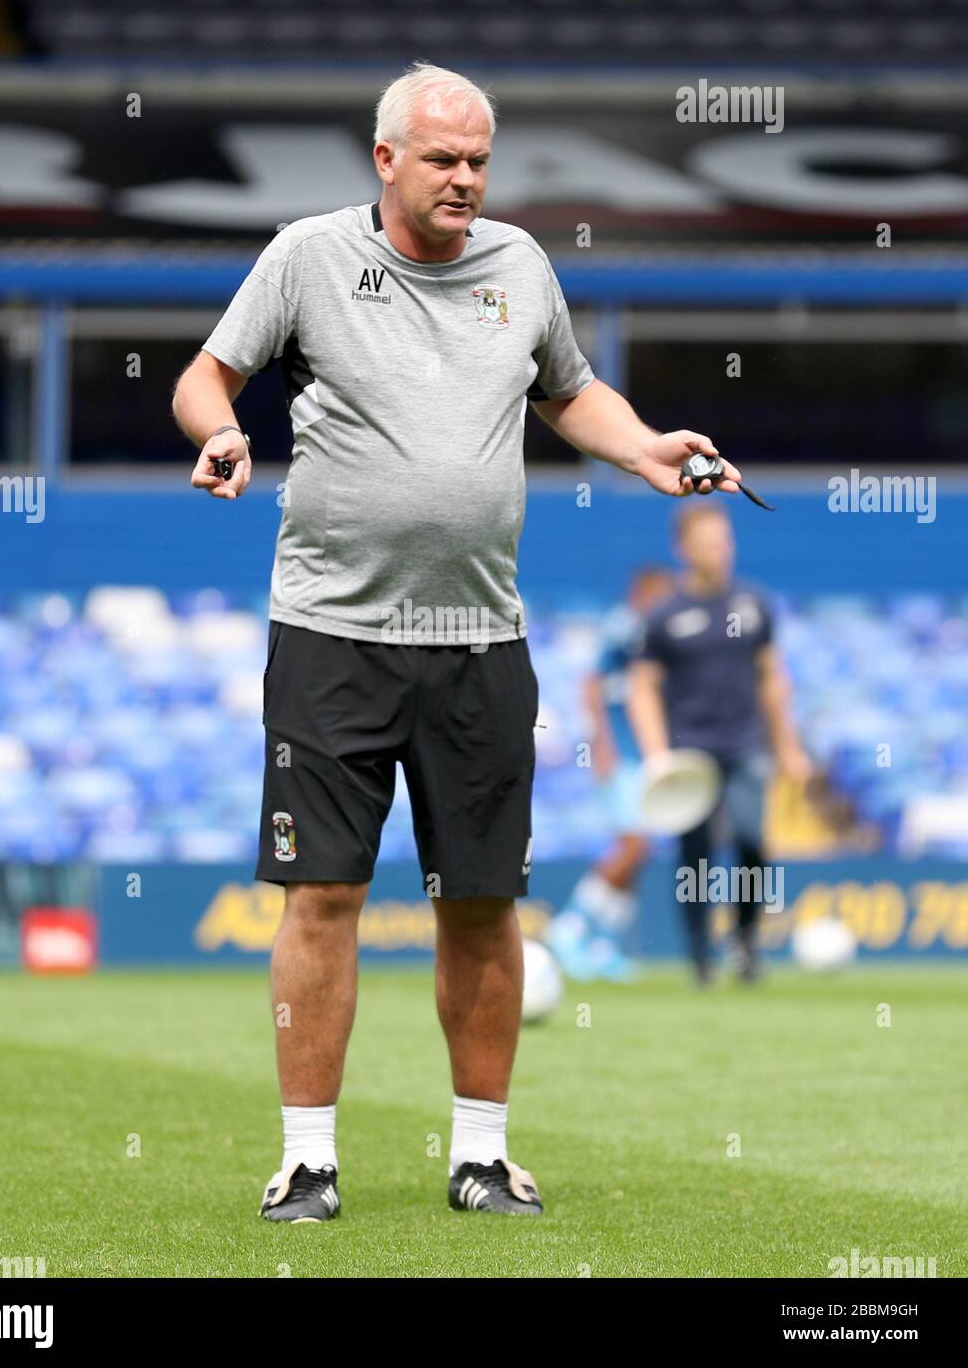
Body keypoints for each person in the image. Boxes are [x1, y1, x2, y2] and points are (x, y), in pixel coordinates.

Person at [172, 60, 740, 1223]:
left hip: (482, 640)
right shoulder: (306, 258)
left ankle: (481, 1154)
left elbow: (569, 391)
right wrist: (224, 432)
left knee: (480, 902)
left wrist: (644, 450)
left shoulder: (520, 266)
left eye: (479, 159)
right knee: (320, 895)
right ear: (386, 160)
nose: (466, 178)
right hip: (331, 633)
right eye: (443, 159)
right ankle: (307, 1159)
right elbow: (204, 375)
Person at [627, 506, 812, 986]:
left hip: (745, 745)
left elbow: (773, 680)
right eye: (709, 541)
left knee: (752, 840)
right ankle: (700, 957)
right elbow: (642, 687)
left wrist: (788, 747)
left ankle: (747, 941)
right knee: (697, 856)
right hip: (691, 754)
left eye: (725, 540)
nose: (720, 550)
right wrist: (656, 755)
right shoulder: (665, 616)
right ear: (683, 549)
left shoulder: (754, 604)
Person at [548, 566, 674, 982]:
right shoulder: (626, 627)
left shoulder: (652, 637)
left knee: (640, 850)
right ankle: (570, 927)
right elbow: (592, 685)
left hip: (643, 756)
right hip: (623, 757)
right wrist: (601, 745)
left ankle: (602, 946)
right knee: (634, 844)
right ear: (644, 593)